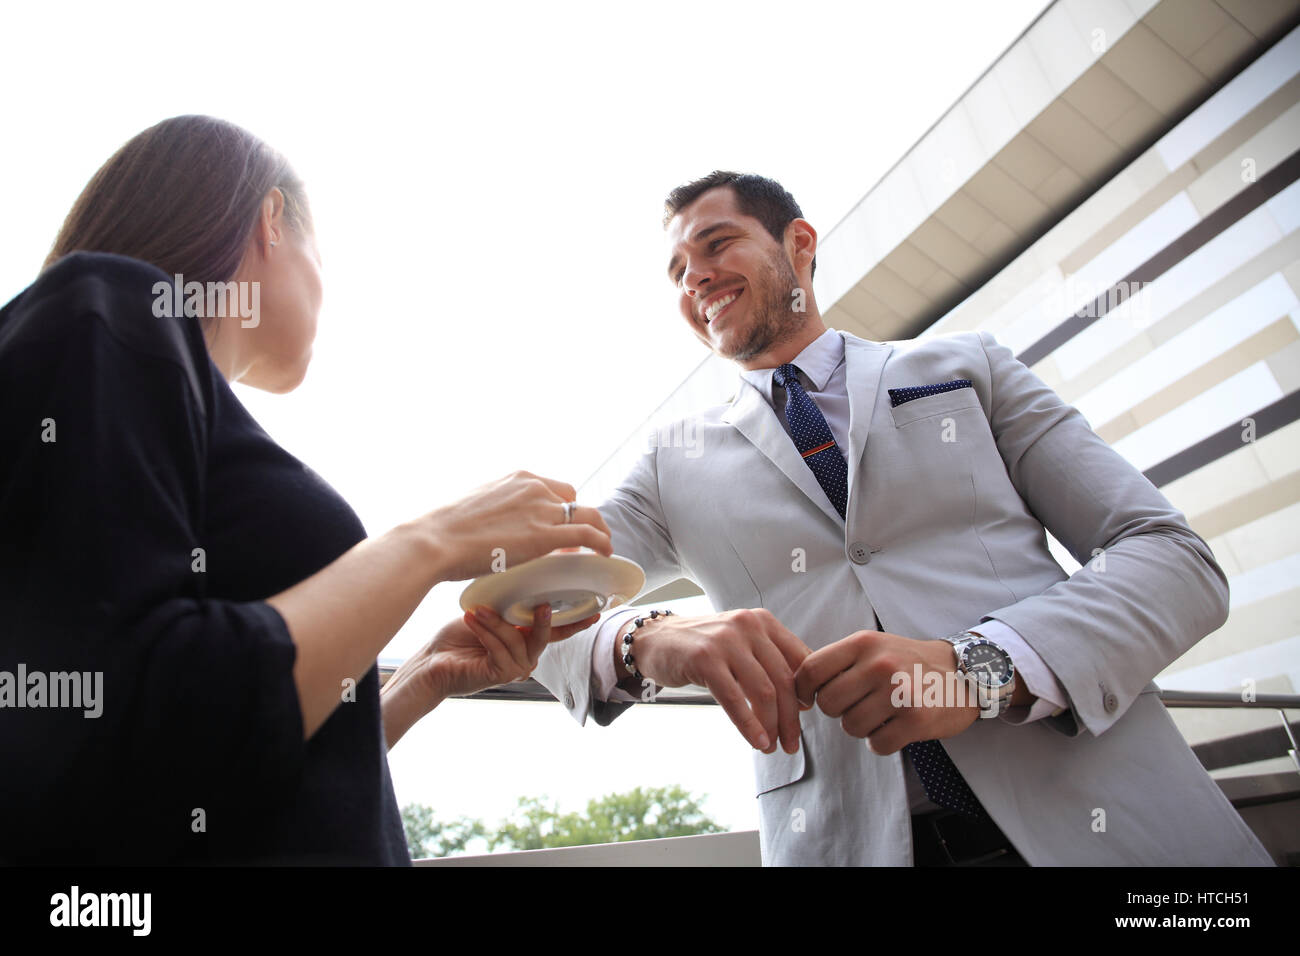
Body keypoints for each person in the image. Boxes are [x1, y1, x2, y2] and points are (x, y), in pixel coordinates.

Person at [533, 170, 1275, 866]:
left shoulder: (968, 367)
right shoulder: (673, 462)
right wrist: (644, 640)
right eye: (676, 272)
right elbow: (523, 614)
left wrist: (974, 671)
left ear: (798, 244)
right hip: (850, 840)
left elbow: (1172, 557)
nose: (693, 276)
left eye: (716, 243)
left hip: (1105, 817)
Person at [0, 115, 612, 864]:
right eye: (324, 252)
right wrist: (434, 541)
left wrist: (418, 681)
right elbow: (128, 730)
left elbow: (219, 774)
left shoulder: (163, 409)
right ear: (272, 220)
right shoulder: (106, 306)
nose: (326, 285)